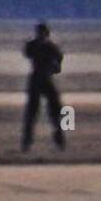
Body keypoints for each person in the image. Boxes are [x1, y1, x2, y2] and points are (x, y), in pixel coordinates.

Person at [22, 22, 65, 151]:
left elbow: (28, 53)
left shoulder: (34, 45)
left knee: (34, 112)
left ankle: (27, 142)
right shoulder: (50, 46)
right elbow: (58, 66)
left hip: (38, 79)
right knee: (53, 110)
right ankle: (59, 140)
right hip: (44, 79)